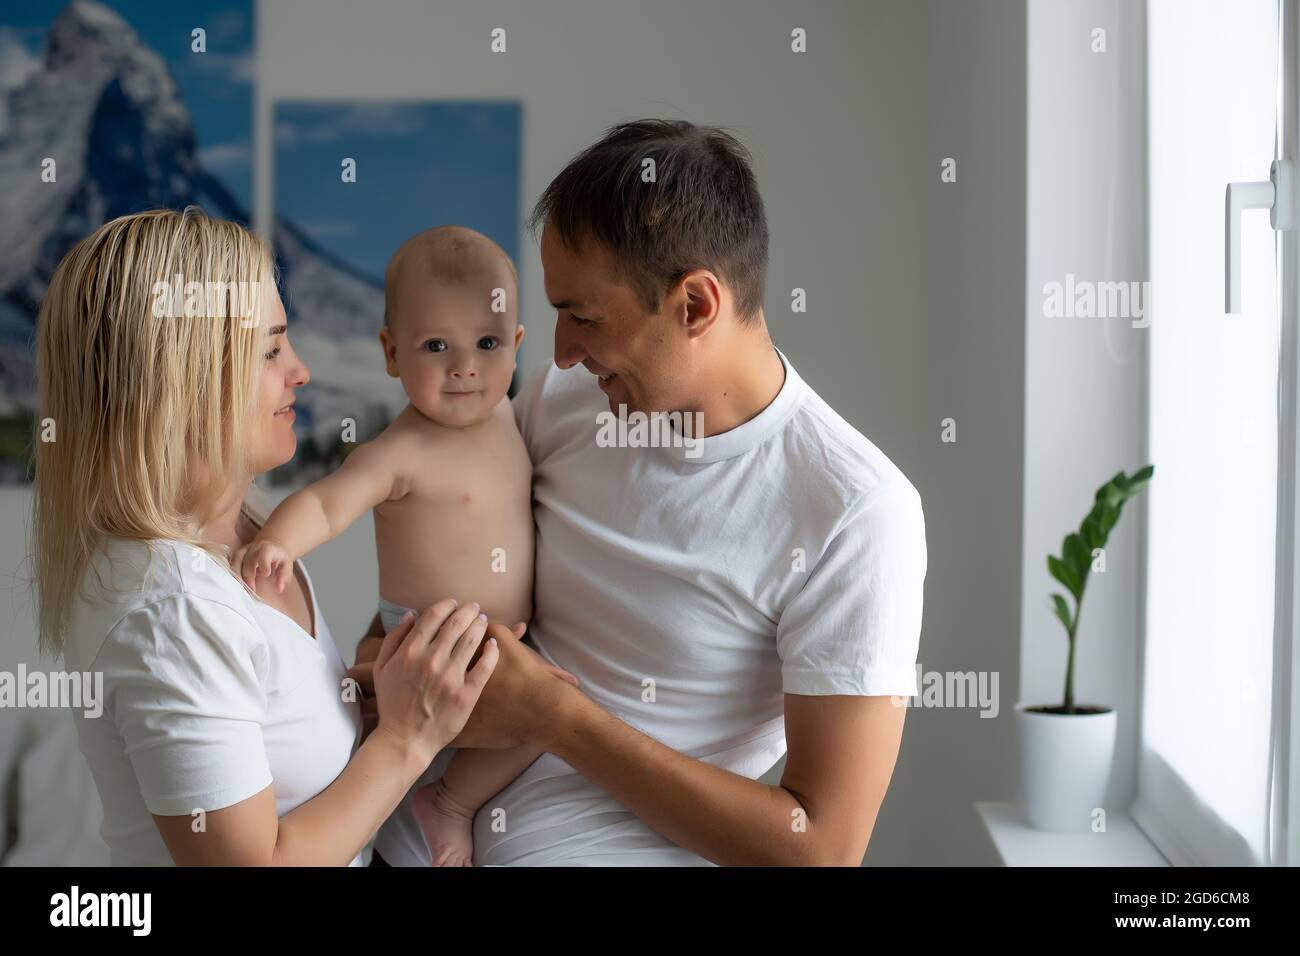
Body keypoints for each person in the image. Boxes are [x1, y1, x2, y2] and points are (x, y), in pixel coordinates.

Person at [368, 119, 929, 866]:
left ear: (695, 305)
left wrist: (555, 717)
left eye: (583, 317)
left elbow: (820, 849)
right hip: (396, 833)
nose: (562, 350)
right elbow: (443, 546)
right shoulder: (566, 398)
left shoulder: (855, 511)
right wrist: (385, 658)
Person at [29, 208, 571, 866]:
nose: (301, 371)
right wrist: (408, 739)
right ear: (180, 380)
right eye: (271, 348)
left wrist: (378, 701)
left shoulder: (248, 533)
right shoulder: (175, 611)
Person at [234, 225, 542, 866]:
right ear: (391, 351)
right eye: (436, 346)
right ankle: (449, 806)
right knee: (544, 714)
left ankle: (446, 802)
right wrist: (278, 543)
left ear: (515, 347)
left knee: (552, 715)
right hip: (434, 634)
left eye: (487, 343)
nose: (464, 366)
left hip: (497, 636)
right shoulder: (401, 451)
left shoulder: (513, 418)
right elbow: (328, 500)